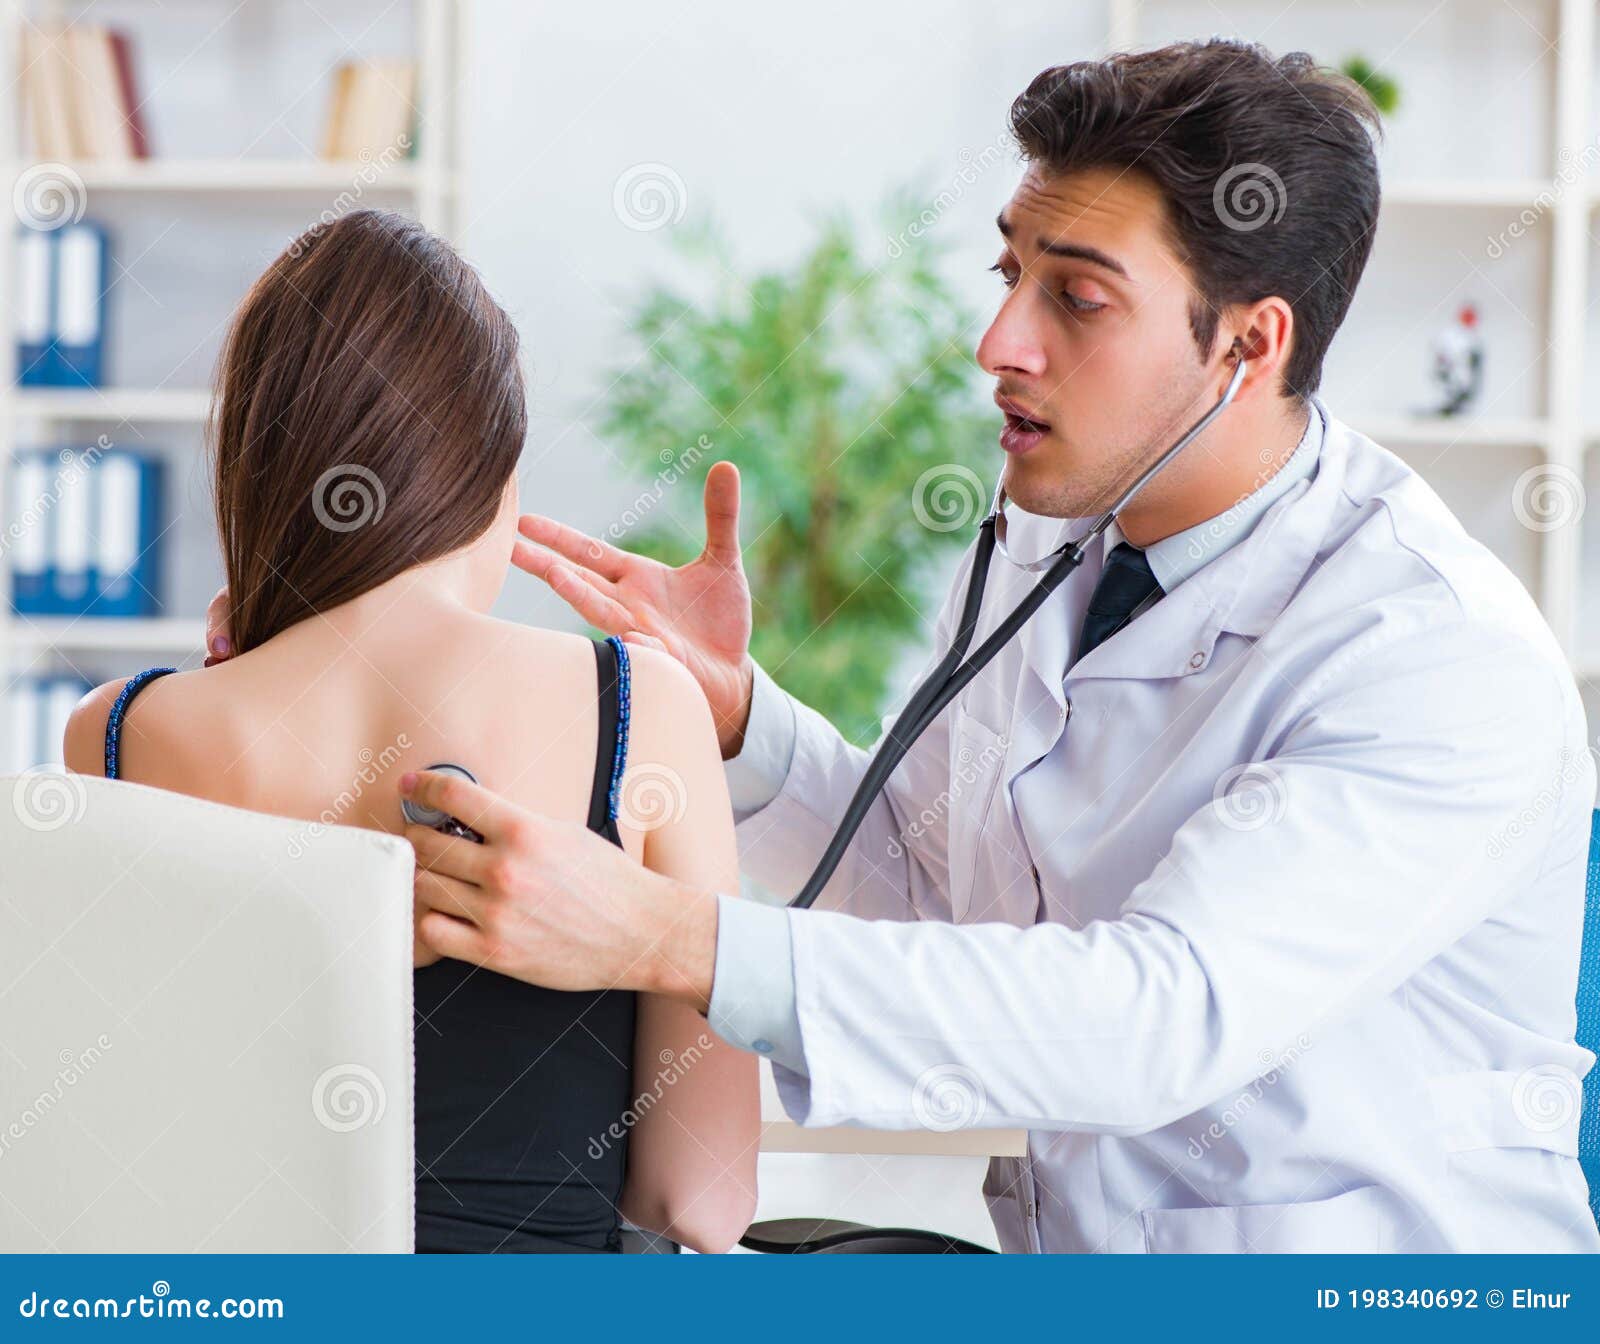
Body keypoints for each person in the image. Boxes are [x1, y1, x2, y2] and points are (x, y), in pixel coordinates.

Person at [392, 41, 1600, 1254]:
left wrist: (664, 933)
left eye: (1074, 298)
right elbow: (939, 890)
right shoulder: (1061, 553)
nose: (997, 341)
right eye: (1008, 271)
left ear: (1248, 347)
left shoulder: (1431, 655)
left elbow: (1154, 1020)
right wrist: (739, 726)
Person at [66, 209, 759, 1254]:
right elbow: (697, 1200)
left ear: (258, 471)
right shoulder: (637, 707)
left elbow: (107, 1130)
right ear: (492, 477)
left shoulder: (115, 734)